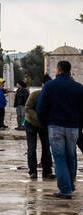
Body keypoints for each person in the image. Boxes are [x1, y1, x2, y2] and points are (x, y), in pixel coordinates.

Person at [36, 60, 83, 199]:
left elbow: (41, 107)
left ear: (58, 70)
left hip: (55, 126)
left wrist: (44, 123)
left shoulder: (50, 86)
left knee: (60, 158)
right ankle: (70, 185)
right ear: (70, 71)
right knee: (71, 155)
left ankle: (65, 189)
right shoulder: (78, 87)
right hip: (73, 127)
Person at [24, 78, 54, 181]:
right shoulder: (35, 94)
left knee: (46, 148)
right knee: (32, 148)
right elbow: (27, 108)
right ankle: (32, 171)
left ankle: (47, 170)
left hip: (44, 125)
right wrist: (39, 118)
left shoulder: (53, 97)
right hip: (31, 123)